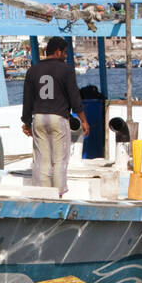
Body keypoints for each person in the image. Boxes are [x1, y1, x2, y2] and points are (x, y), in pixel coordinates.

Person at [21, 37, 89, 196]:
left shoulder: (33, 70)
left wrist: (26, 122)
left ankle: (44, 194)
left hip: (38, 118)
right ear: (58, 51)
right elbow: (75, 98)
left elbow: (27, 99)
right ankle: (57, 194)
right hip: (58, 118)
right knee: (59, 159)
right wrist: (84, 120)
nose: (65, 55)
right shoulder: (66, 70)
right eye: (64, 52)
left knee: (42, 160)